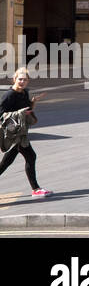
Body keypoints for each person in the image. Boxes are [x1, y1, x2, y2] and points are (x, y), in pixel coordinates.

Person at [0, 69, 49, 198]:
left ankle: (36, 189)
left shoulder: (24, 93)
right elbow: (1, 114)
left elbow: (27, 109)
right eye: (20, 79)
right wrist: (19, 115)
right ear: (14, 79)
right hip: (13, 133)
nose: (22, 82)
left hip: (21, 132)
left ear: (28, 81)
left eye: (25, 80)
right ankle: (36, 189)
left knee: (6, 162)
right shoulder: (9, 95)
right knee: (31, 156)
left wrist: (33, 102)